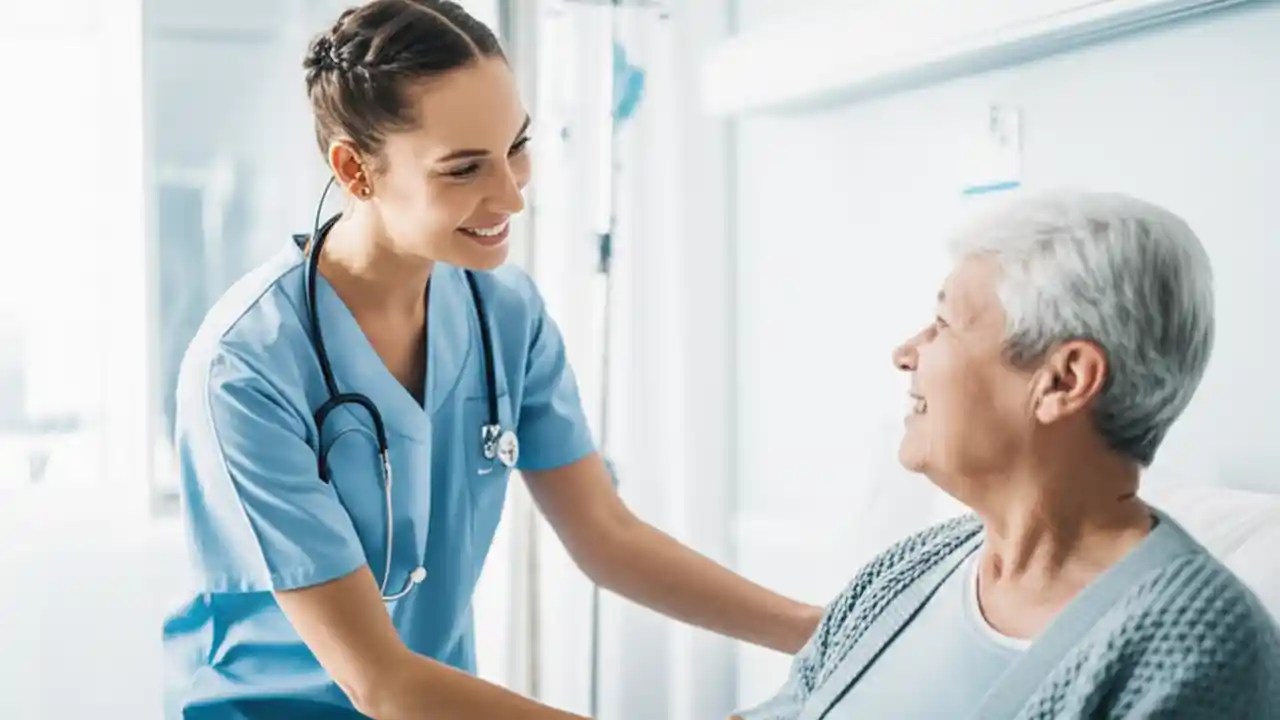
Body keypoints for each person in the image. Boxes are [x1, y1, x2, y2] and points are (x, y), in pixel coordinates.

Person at [162, 2, 821, 718]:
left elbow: (607, 535)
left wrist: (819, 633)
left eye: (518, 146)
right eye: (464, 168)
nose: (511, 192)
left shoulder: (505, 314)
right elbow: (380, 681)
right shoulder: (247, 367)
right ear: (355, 170)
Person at [733, 190, 1280, 720]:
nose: (906, 354)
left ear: (1064, 380)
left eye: (944, 324)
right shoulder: (909, 570)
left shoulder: (1197, 644)